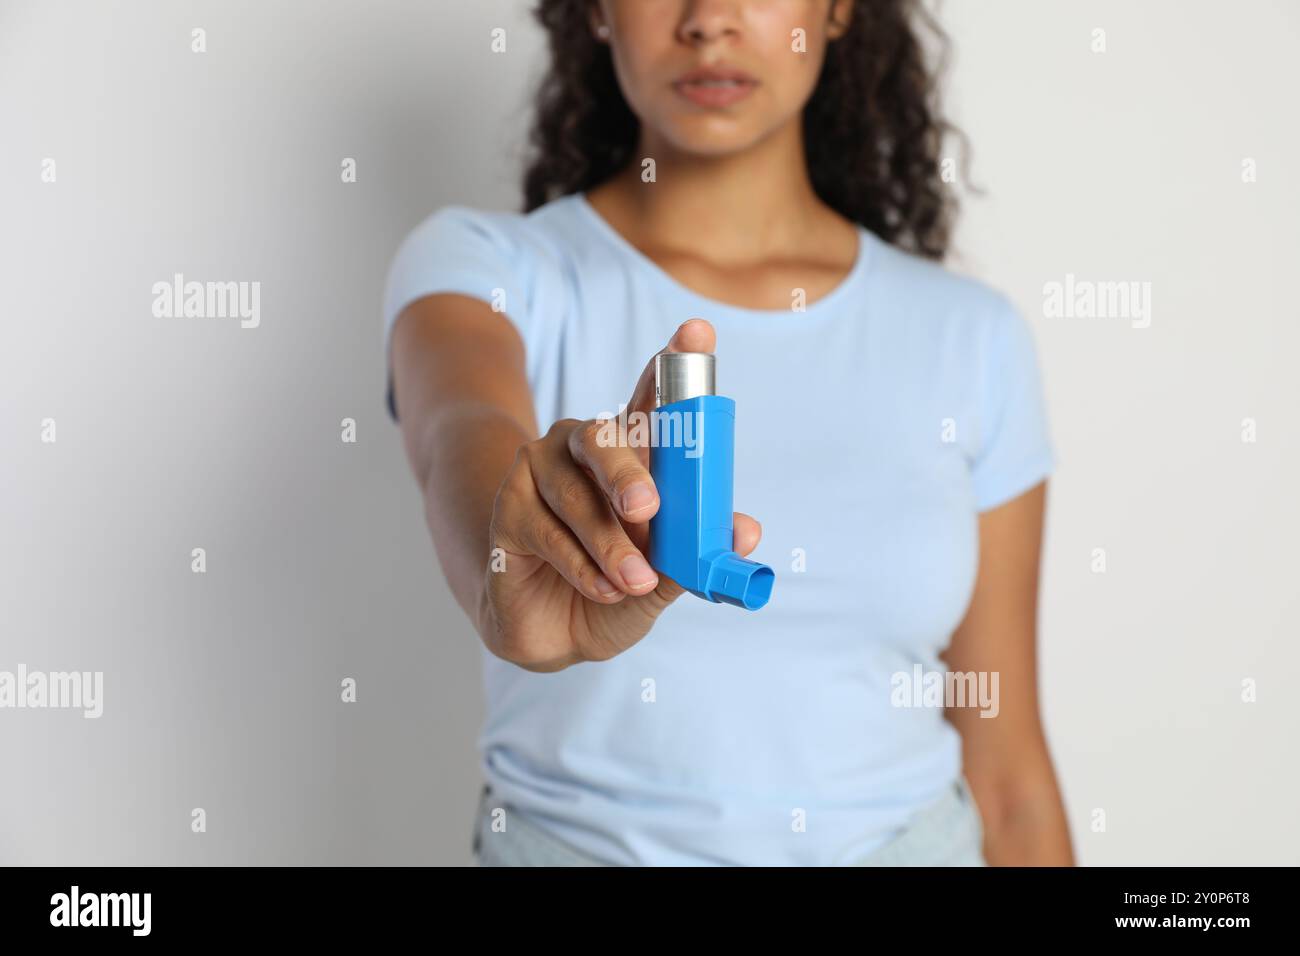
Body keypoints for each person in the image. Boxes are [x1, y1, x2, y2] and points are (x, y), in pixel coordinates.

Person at [383, 0, 1074, 866]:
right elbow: (463, 428)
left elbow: (1010, 780)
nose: (709, 18)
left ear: (838, 9)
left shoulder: (971, 335)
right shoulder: (485, 268)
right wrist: (505, 561)